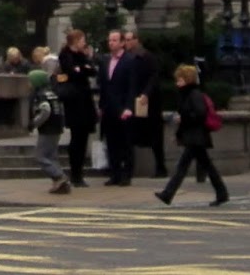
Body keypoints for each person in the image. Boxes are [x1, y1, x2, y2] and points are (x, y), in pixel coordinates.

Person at [155, 63, 229, 206]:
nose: (177, 82)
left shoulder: (193, 94)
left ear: (187, 79)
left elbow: (200, 114)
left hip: (196, 136)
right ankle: (222, 193)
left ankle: (167, 194)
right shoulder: (187, 94)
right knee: (207, 166)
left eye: (180, 79)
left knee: (183, 167)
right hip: (195, 136)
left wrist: (183, 118)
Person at [56, 29, 99, 187]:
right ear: (75, 40)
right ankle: (75, 174)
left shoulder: (82, 56)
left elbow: (91, 70)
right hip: (74, 101)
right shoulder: (66, 55)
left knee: (84, 137)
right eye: (82, 40)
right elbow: (71, 72)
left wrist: (82, 68)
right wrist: (81, 69)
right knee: (76, 137)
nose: (84, 42)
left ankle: (79, 173)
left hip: (85, 100)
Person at [96, 28, 136, 186]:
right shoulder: (105, 60)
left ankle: (127, 174)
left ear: (122, 43)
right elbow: (103, 85)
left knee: (125, 143)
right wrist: (101, 106)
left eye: (114, 40)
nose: (111, 43)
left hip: (123, 107)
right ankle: (115, 174)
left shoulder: (129, 60)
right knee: (111, 142)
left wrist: (129, 107)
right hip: (108, 108)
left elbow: (133, 86)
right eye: (109, 40)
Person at [125, 30, 167, 178]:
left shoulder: (147, 57)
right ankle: (129, 169)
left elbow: (154, 77)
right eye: (126, 40)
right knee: (131, 135)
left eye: (130, 39)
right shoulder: (127, 58)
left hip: (149, 102)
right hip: (133, 100)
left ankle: (161, 167)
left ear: (137, 40)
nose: (127, 43)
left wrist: (146, 93)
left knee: (155, 136)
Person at [28, 55, 70, 194]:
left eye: (30, 81)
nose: (28, 84)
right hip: (57, 127)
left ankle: (60, 176)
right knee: (52, 156)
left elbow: (45, 110)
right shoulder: (51, 92)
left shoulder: (41, 94)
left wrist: (34, 123)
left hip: (48, 129)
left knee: (40, 156)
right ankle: (59, 183)